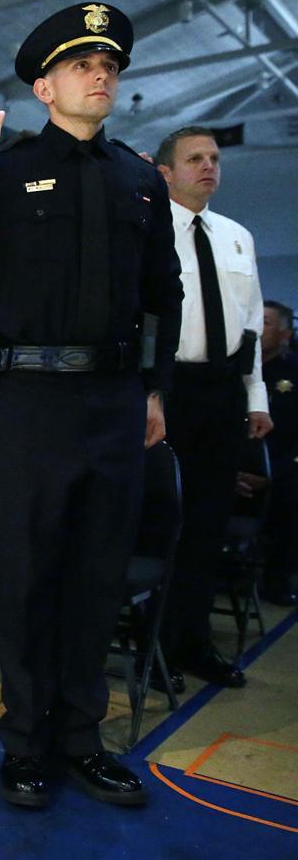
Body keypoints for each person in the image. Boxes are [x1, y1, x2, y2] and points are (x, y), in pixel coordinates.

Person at [0, 3, 183, 807]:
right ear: (43, 85)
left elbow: (163, 292)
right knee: (29, 574)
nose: (102, 75)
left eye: (110, 66)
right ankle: (26, 742)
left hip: (115, 401)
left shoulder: (138, 177)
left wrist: (155, 386)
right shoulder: (2, 169)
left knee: (97, 578)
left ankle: (80, 737)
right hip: (30, 400)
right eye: (83, 65)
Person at [155, 126, 272, 688]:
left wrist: (255, 397)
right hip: (167, 389)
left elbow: (250, 325)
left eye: (214, 158)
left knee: (206, 524)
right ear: (165, 173)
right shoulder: (147, 234)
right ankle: (150, 646)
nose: (208, 167)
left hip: (223, 390)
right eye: (194, 158)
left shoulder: (237, 236)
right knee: (157, 521)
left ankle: (192, 643)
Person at [258, 301, 298, 605]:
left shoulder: (292, 372)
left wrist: (271, 475)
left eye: (267, 323)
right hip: (233, 465)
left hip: (283, 467)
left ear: (285, 335)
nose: (258, 329)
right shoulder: (238, 369)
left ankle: (277, 580)